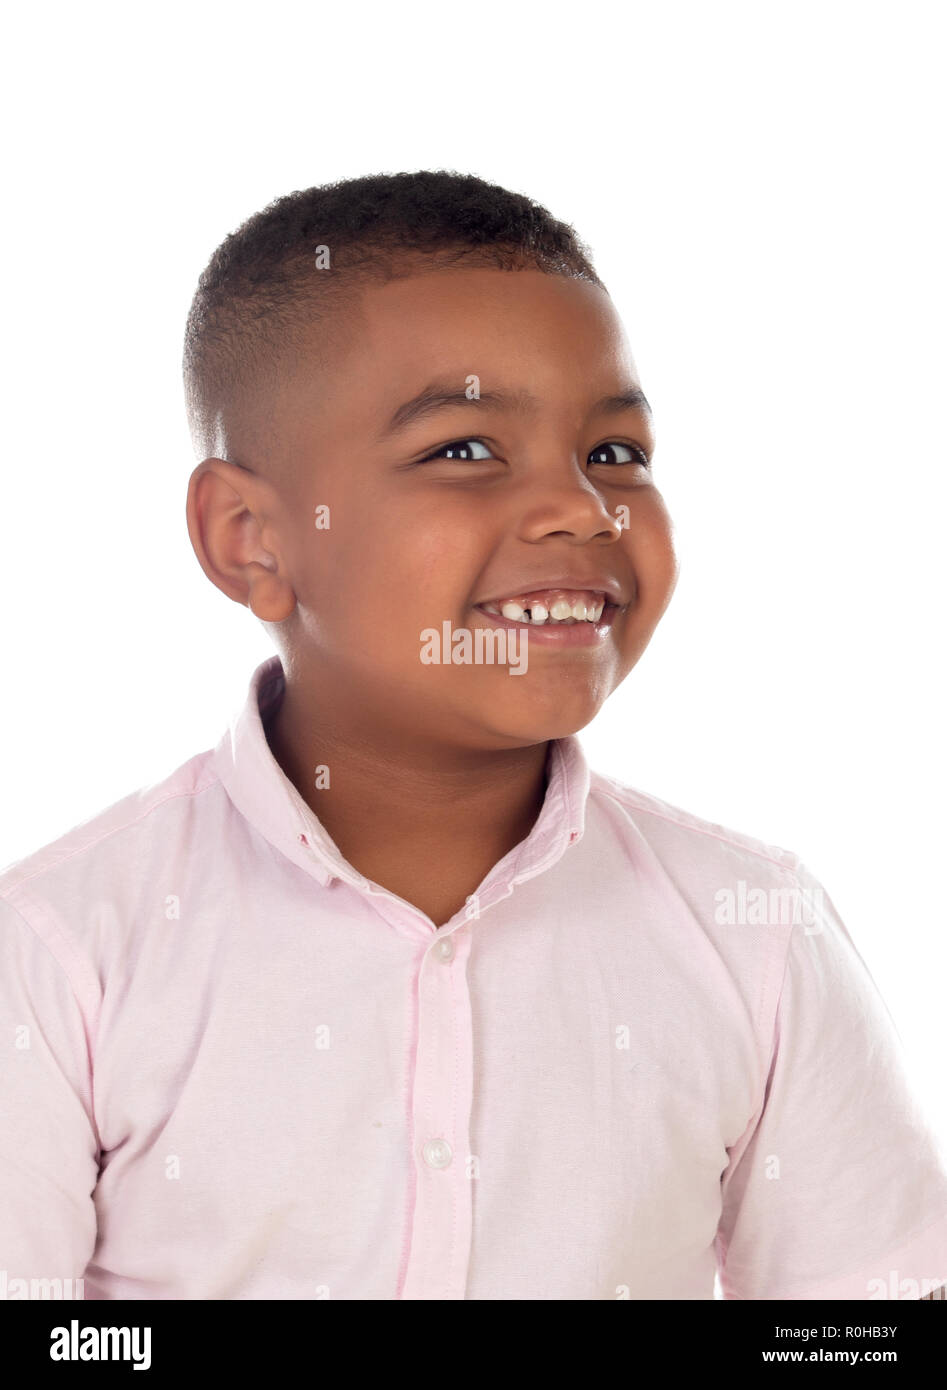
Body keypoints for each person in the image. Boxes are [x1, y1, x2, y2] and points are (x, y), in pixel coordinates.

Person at [2, 171, 945, 1300]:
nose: (581, 510)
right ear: (251, 538)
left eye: (614, 454)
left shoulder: (756, 936)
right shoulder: (62, 954)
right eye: (463, 450)